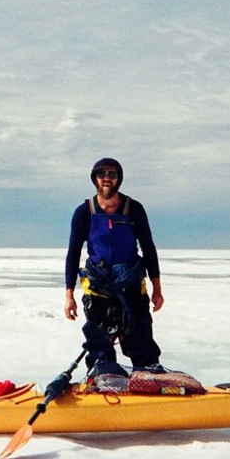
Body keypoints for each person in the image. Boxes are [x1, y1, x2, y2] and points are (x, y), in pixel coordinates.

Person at [64, 157, 166, 376]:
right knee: (99, 349)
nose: (107, 178)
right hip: (98, 289)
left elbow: (148, 248)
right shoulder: (84, 212)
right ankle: (103, 381)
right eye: (102, 174)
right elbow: (73, 253)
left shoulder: (134, 209)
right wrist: (69, 295)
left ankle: (148, 379)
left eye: (112, 174)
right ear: (95, 179)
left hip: (131, 286)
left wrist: (157, 288)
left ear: (119, 179)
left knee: (141, 342)